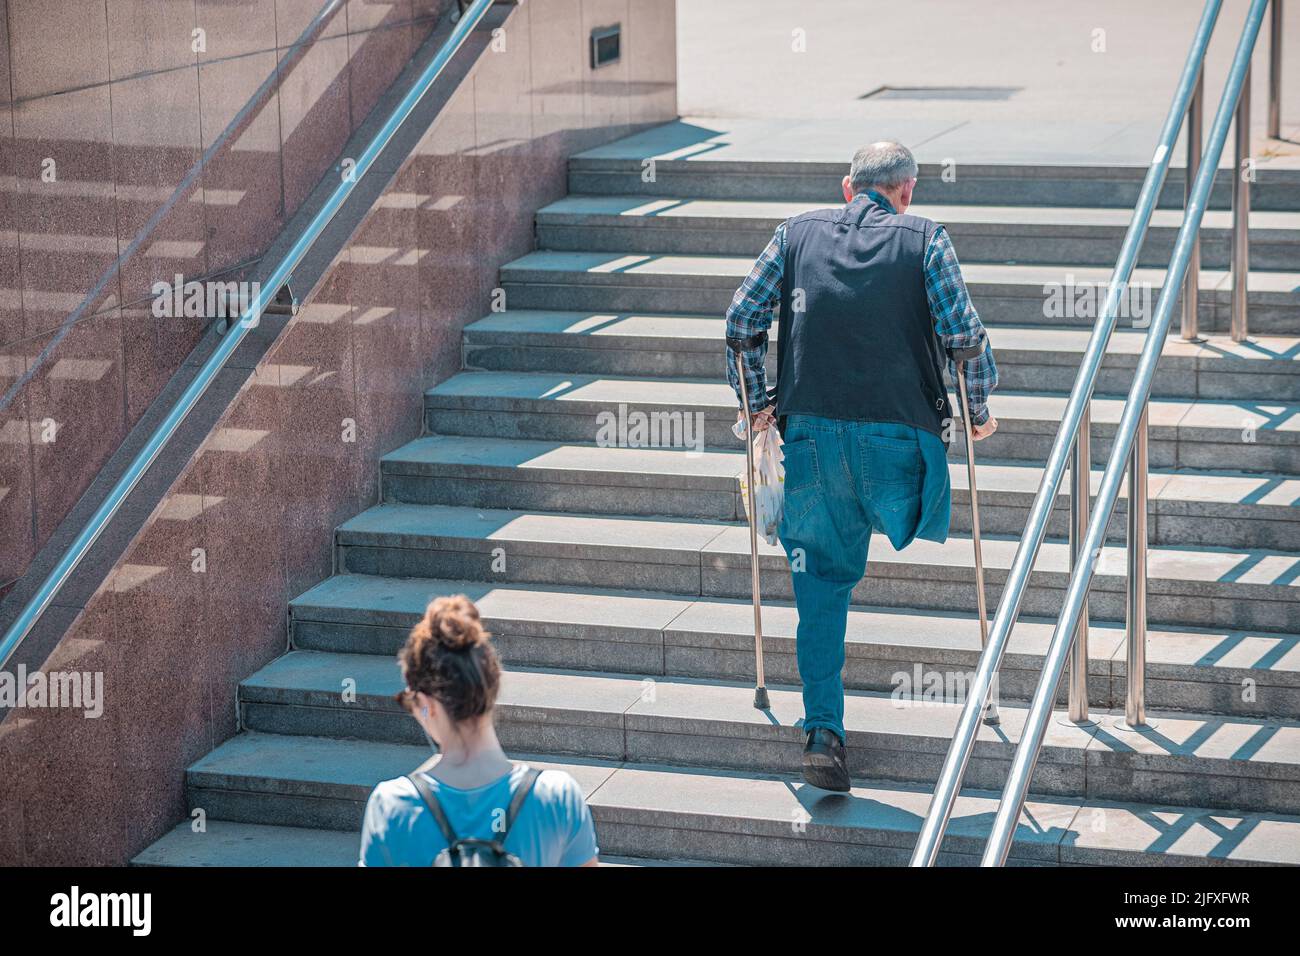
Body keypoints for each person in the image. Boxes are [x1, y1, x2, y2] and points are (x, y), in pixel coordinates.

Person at [724, 141, 1000, 793]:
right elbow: (963, 338)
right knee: (890, 513)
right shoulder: (926, 239)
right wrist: (979, 409)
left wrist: (755, 402)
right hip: (899, 450)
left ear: (849, 187)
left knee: (821, 577)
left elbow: (742, 323)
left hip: (811, 440)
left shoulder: (793, 235)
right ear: (907, 191)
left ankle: (823, 732)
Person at [359, 594, 599, 866]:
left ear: (427, 704)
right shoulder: (557, 796)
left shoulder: (392, 805)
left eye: (412, 702)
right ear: (493, 686)